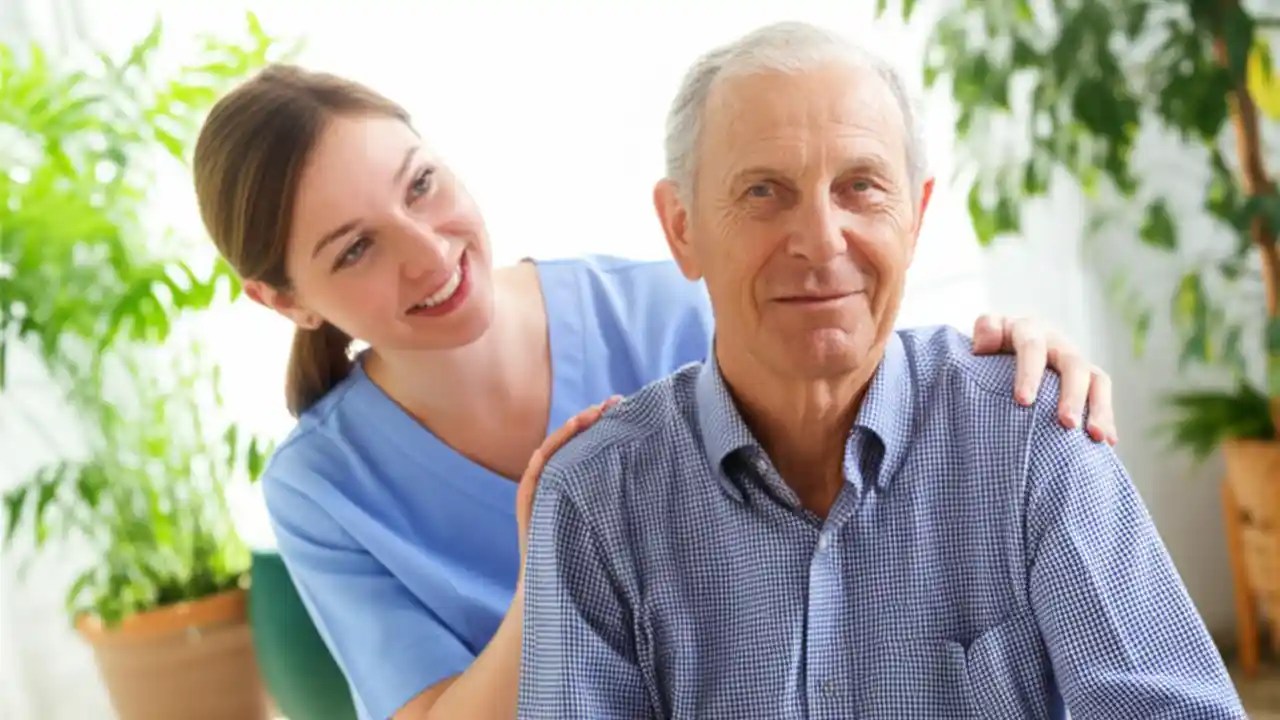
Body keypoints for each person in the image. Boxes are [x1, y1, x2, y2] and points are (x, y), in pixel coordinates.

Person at [192, 63, 1120, 720]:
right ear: (281, 300)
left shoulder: (671, 307)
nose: (429, 252)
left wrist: (1005, 357)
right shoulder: (320, 487)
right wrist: (546, 565)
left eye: (422, 185)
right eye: (355, 249)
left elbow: (868, 402)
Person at [518, 21, 1243, 720]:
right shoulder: (596, 504)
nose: (821, 240)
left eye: (860, 185)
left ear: (917, 215)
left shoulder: (1032, 440)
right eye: (763, 191)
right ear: (683, 227)